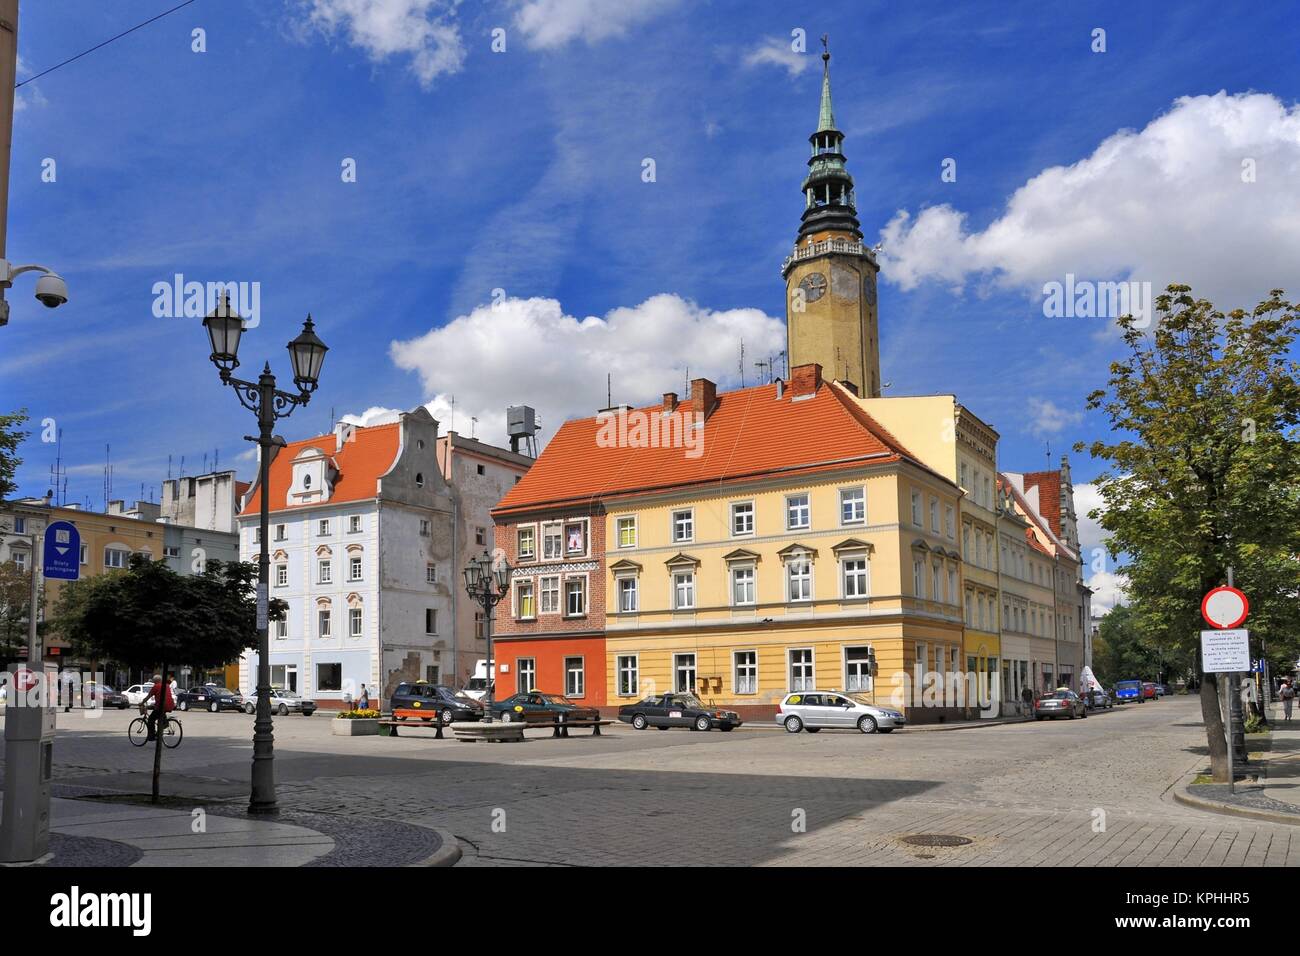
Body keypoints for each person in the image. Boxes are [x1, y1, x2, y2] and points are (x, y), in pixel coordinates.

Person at [141, 673, 175, 741]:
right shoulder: (166, 685)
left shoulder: (156, 686)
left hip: (161, 706)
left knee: (151, 719)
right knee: (160, 715)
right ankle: (164, 724)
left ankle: (152, 736)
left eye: (154, 681)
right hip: (170, 705)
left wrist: (142, 703)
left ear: (156, 681)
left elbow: (148, 696)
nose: (153, 682)